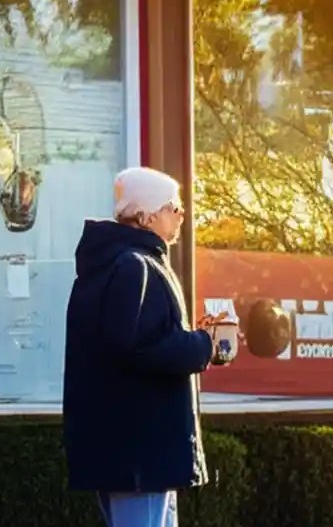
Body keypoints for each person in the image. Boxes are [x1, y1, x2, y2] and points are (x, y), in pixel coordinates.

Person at [63, 167, 222, 527]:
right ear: (146, 216)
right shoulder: (135, 266)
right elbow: (139, 345)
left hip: (128, 448)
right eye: (173, 207)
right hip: (142, 452)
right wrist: (203, 344)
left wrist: (196, 341)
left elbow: (134, 339)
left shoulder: (110, 263)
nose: (181, 214)